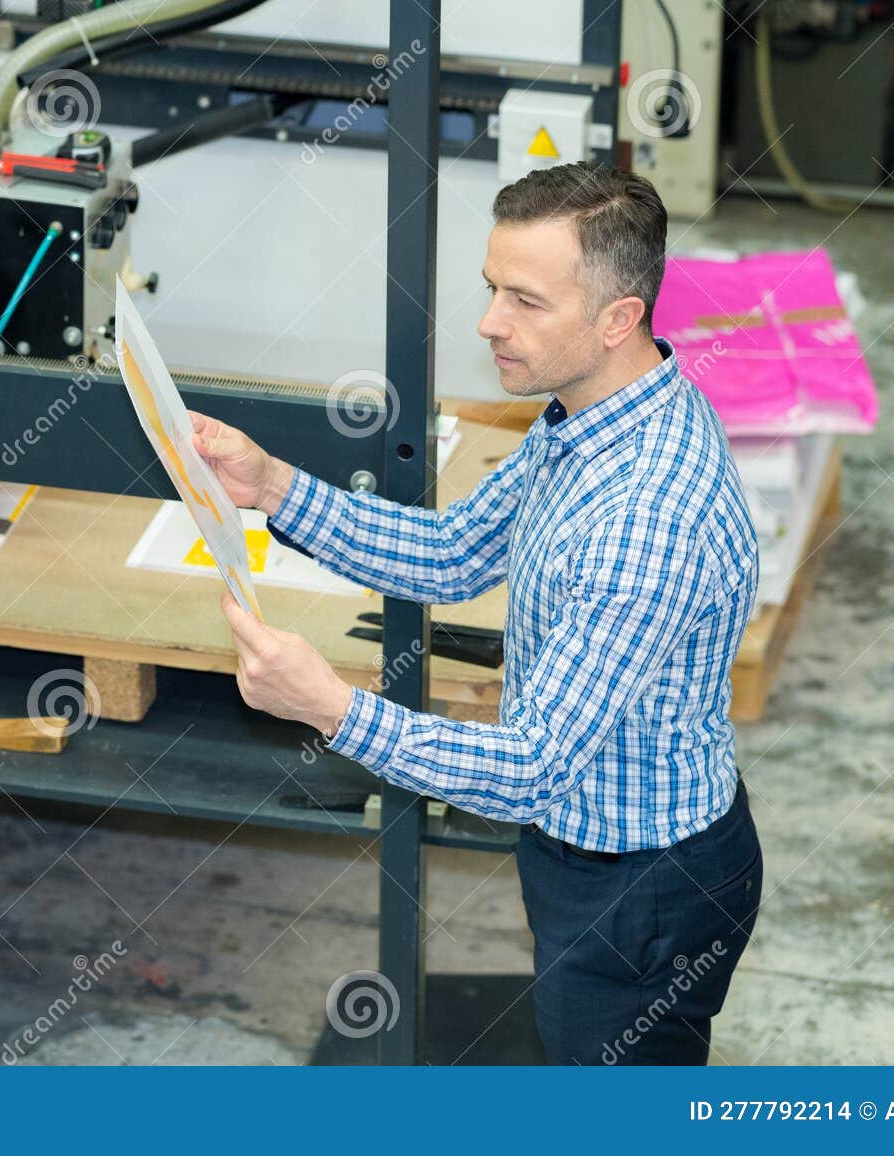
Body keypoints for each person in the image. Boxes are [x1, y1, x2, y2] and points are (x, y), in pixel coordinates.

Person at [190, 162, 763, 1065]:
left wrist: (330, 708)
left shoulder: (647, 515)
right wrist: (274, 488)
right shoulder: (589, 412)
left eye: (525, 301)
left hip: (640, 890)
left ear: (618, 319)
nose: (490, 322)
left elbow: (533, 765)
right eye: (492, 289)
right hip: (587, 846)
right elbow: (455, 552)